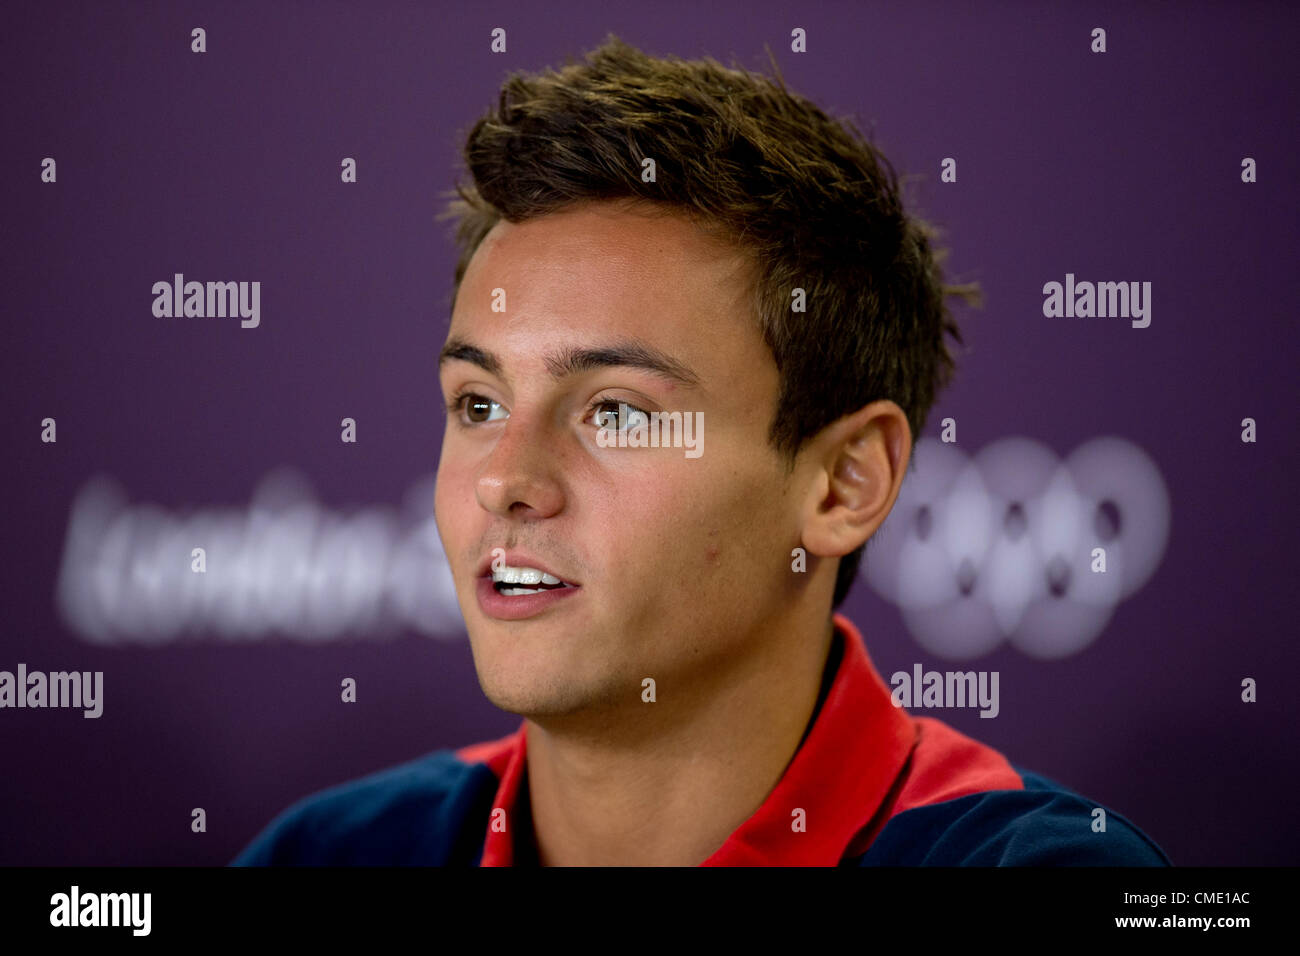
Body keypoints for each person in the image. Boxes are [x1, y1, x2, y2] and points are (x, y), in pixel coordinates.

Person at [232, 35, 1169, 866]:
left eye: (616, 413)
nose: (505, 482)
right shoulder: (328, 851)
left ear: (846, 481)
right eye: (479, 402)